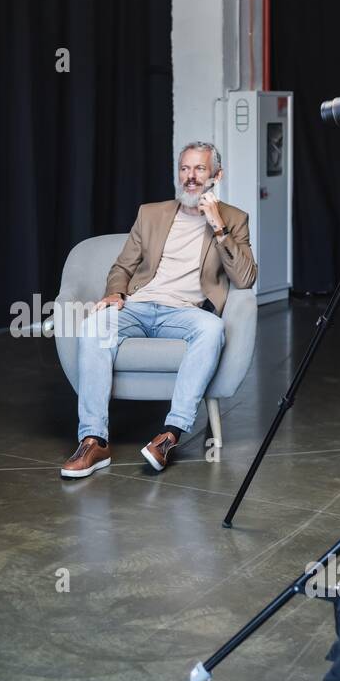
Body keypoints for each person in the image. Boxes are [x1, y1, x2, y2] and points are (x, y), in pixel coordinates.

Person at [61, 141, 257, 478]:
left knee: (212, 330)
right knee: (95, 326)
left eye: (199, 169)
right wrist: (114, 293)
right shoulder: (151, 213)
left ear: (216, 175)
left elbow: (245, 277)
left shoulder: (234, 218)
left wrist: (219, 227)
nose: (190, 177)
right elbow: (122, 266)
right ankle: (94, 440)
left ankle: (170, 434)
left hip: (184, 313)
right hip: (137, 306)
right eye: (184, 168)